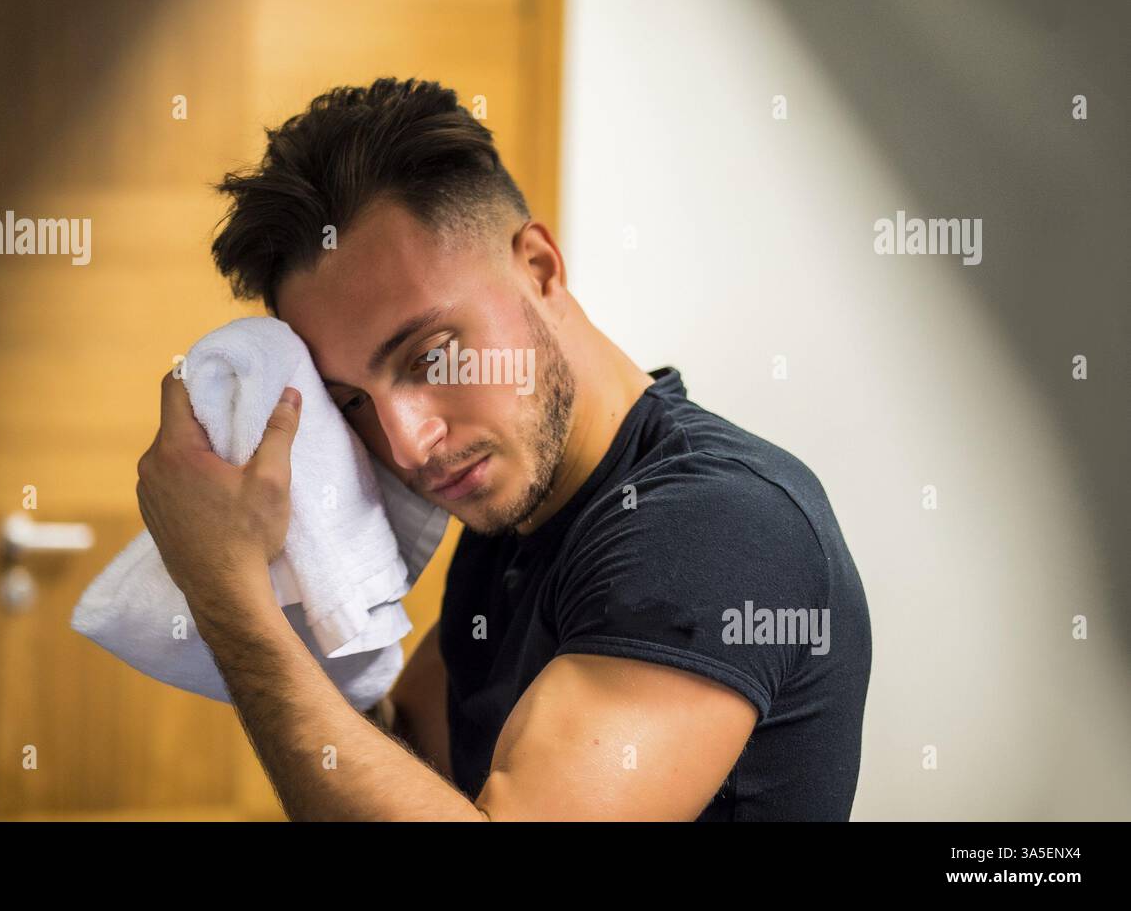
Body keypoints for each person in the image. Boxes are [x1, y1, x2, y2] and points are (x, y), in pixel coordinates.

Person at [136, 77, 871, 821]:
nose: (407, 443)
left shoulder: (717, 526)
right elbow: (402, 751)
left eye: (430, 357)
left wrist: (228, 594)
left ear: (541, 269)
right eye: (353, 402)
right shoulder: (516, 516)